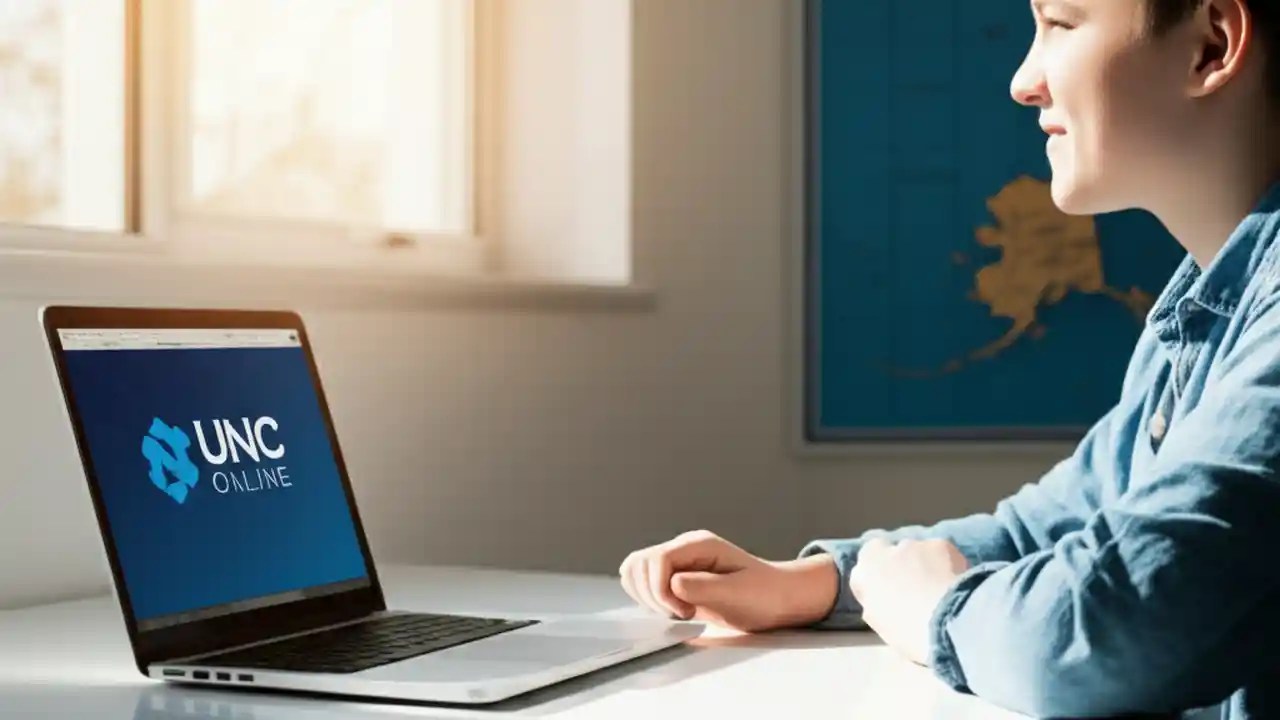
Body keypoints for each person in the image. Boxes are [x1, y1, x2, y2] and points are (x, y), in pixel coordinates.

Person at [619, 1, 1280, 717]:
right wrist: (822, 582)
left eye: (1060, 23)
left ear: (1211, 45)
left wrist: (936, 609)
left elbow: (1112, 629)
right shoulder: (1207, 309)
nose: (1023, 81)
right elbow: (1049, 529)